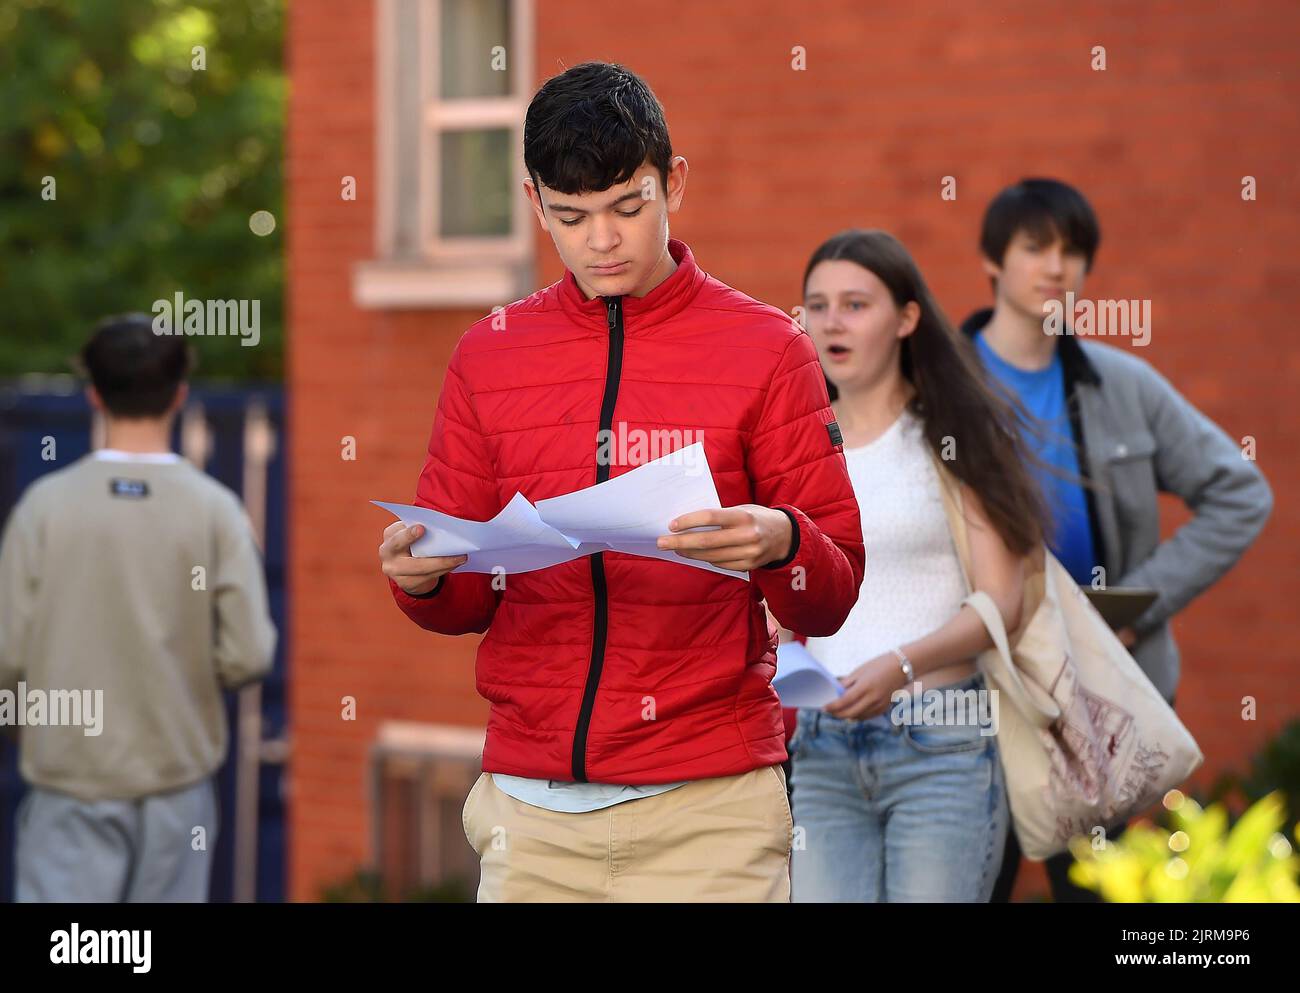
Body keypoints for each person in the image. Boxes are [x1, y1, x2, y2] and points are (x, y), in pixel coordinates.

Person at [378, 62, 865, 903]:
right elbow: (462, 598)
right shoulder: (488, 354)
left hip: (710, 810)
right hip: (531, 817)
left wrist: (783, 539)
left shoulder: (767, 348)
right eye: (570, 217)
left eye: (626, 208)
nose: (601, 240)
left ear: (672, 183)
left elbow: (832, 591)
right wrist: (423, 578)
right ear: (535, 204)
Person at [962, 178, 1274, 902]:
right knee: (972, 885)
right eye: (1035, 247)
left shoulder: (1123, 383)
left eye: (1074, 253)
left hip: (1103, 689)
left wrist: (1141, 602)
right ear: (992, 263)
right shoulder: (943, 385)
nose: (1056, 267)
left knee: (1103, 896)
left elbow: (1241, 490)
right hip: (980, 685)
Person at [782, 228, 1049, 902]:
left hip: (942, 745)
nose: (831, 321)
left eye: (855, 304)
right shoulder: (795, 444)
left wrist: (901, 663)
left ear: (906, 318)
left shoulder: (954, 433)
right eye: (816, 305)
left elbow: (1000, 602)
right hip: (820, 746)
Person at [0, 314, 277, 901]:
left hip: (67, 783)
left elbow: (6, 655)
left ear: (93, 394)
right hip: (178, 790)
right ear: (180, 394)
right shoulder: (216, 511)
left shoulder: (42, 509)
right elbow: (249, 654)